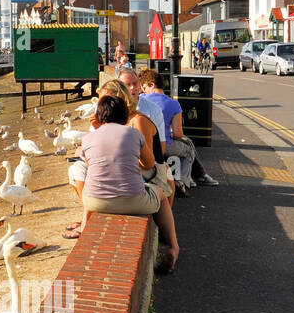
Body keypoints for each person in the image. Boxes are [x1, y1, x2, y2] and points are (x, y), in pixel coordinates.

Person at [79, 94, 181, 273]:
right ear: (125, 114)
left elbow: (92, 168)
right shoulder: (133, 134)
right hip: (134, 200)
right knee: (161, 195)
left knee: (90, 187)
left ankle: (84, 238)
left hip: (96, 202)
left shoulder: (87, 139)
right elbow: (149, 164)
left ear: (99, 115)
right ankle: (173, 247)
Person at [138, 69, 218, 193]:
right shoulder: (173, 104)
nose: (143, 91)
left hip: (143, 144)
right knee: (189, 151)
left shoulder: (140, 99)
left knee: (188, 142)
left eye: (144, 87)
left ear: (152, 85)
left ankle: (197, 177)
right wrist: (170, 133)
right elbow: (178, 134)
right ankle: (184, 182)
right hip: (164, 145)